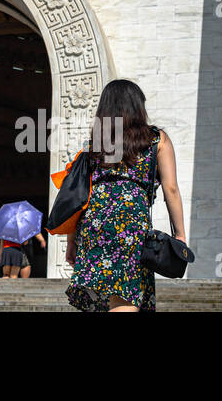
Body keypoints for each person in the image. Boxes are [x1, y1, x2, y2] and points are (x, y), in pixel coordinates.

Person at [64, 78, 186, 312]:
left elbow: (78, 195)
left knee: (103, 300)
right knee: (126, 297)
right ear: (138, 106)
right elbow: (171, 188)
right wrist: (179, 235)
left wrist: (72, 241)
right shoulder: (156, 139)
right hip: (130, 224)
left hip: (93, 223)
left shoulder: (96, 144)